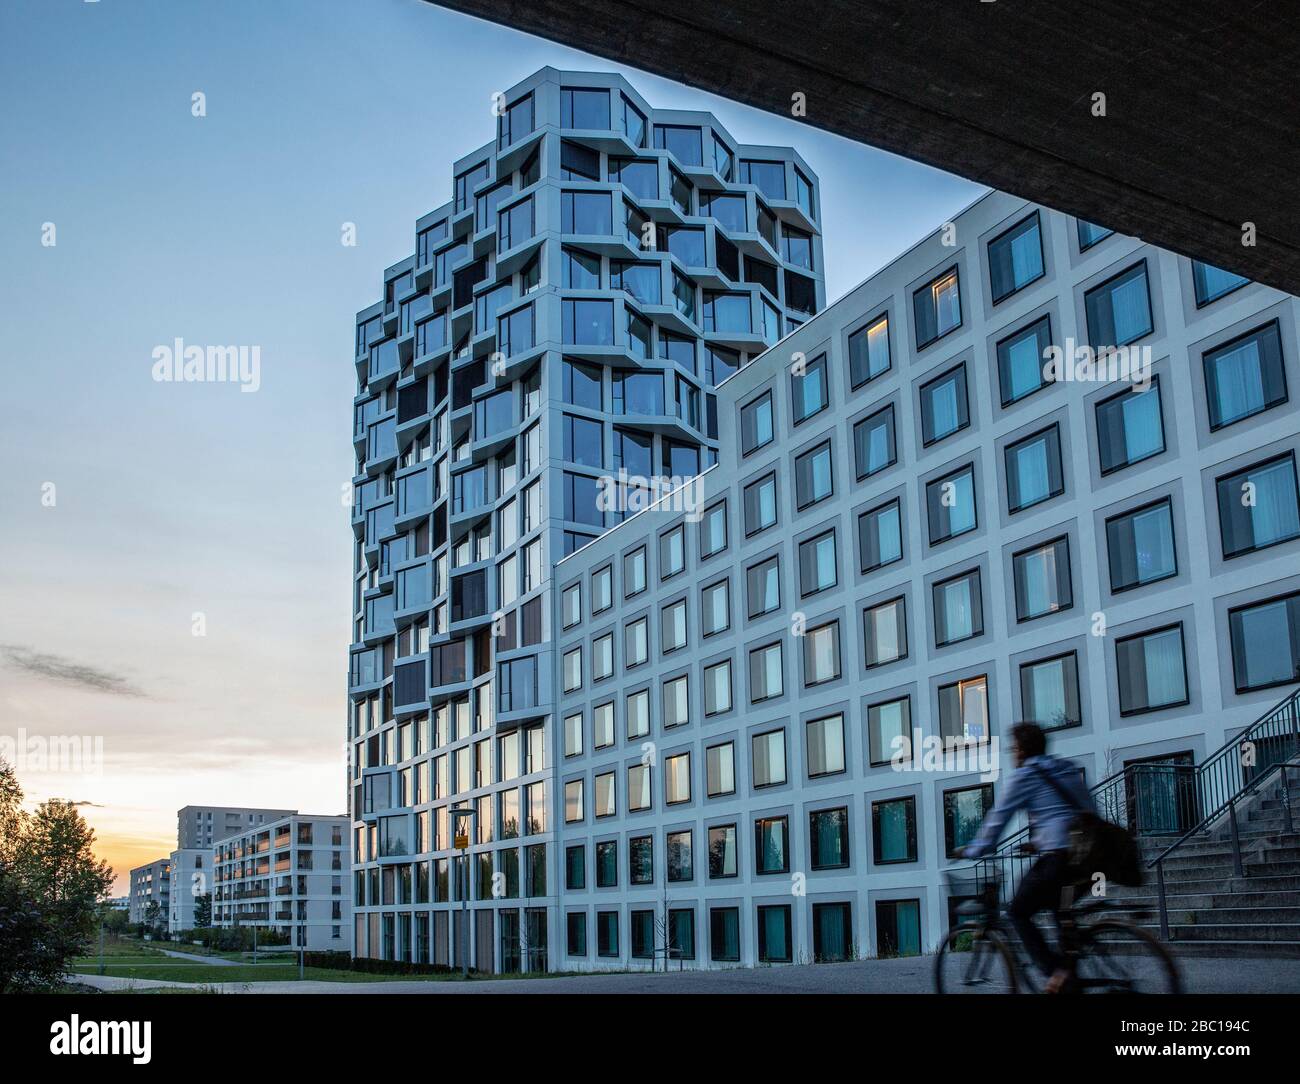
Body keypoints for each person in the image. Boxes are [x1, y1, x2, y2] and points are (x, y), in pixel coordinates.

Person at [961, 721, 1095, 994]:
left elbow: (997, 819)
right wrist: (1039, 842)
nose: (1012, 753)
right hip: (1088, 859)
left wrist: (973, 849)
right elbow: (1083, 811)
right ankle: (1070, 976)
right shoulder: (1066, 768)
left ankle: (1056, 976)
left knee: (1018, 912)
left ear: (1021, 750)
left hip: (1058, 860)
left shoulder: (1025, 775)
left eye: (1013, 748)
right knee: (1062, 914)